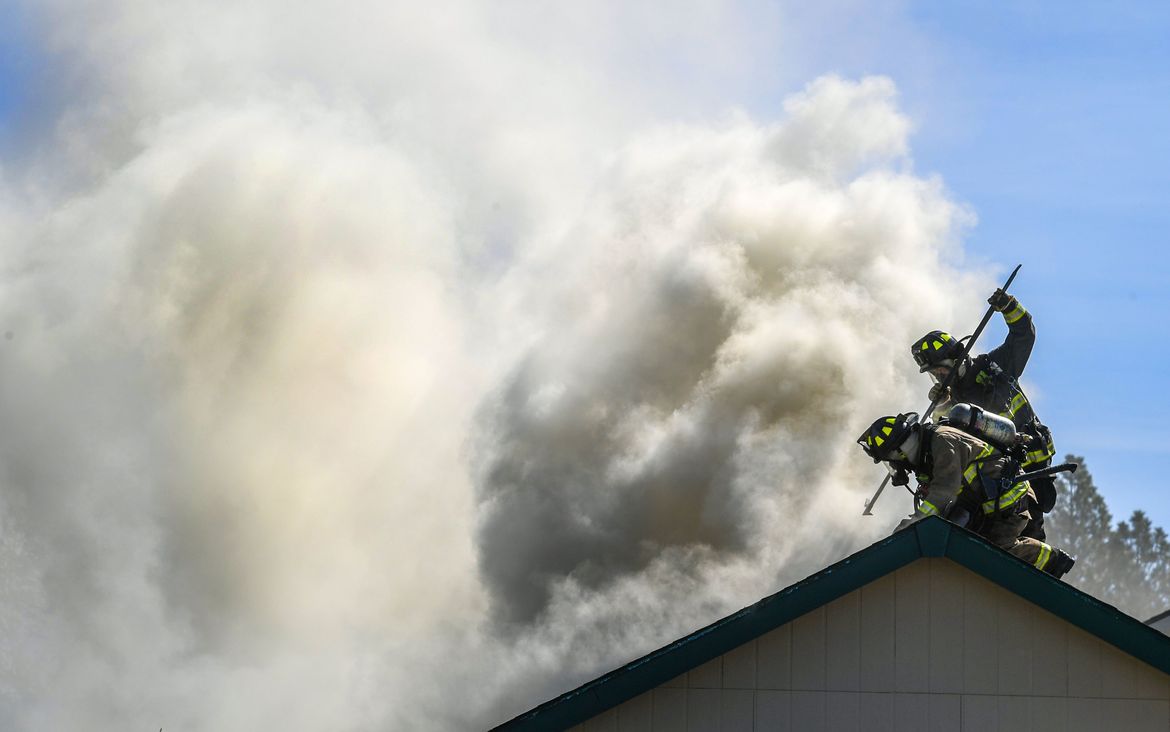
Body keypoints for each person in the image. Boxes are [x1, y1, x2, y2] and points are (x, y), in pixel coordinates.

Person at [910, 288, 1056, 540]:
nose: (940, 377)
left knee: (1033, 520)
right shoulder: (953, 398)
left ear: (957, 358)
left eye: (941, 371)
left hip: (1031, 457)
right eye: (934, 374)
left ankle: (1040, 558)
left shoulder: (994, 367)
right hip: (996, 472)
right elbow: (946, 437)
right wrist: (941, 406)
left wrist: (1009, 306)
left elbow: (1024, 334)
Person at [857, 412, 1075, 578]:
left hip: (1007, 501)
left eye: (890, 460)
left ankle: (1053, 561)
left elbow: (944, 492)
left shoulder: (943, 442)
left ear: (900, 450)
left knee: (997, 551)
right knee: (965, 551)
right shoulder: (925, 457)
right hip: (982, 505)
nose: (894, 466)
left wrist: (912, 524)